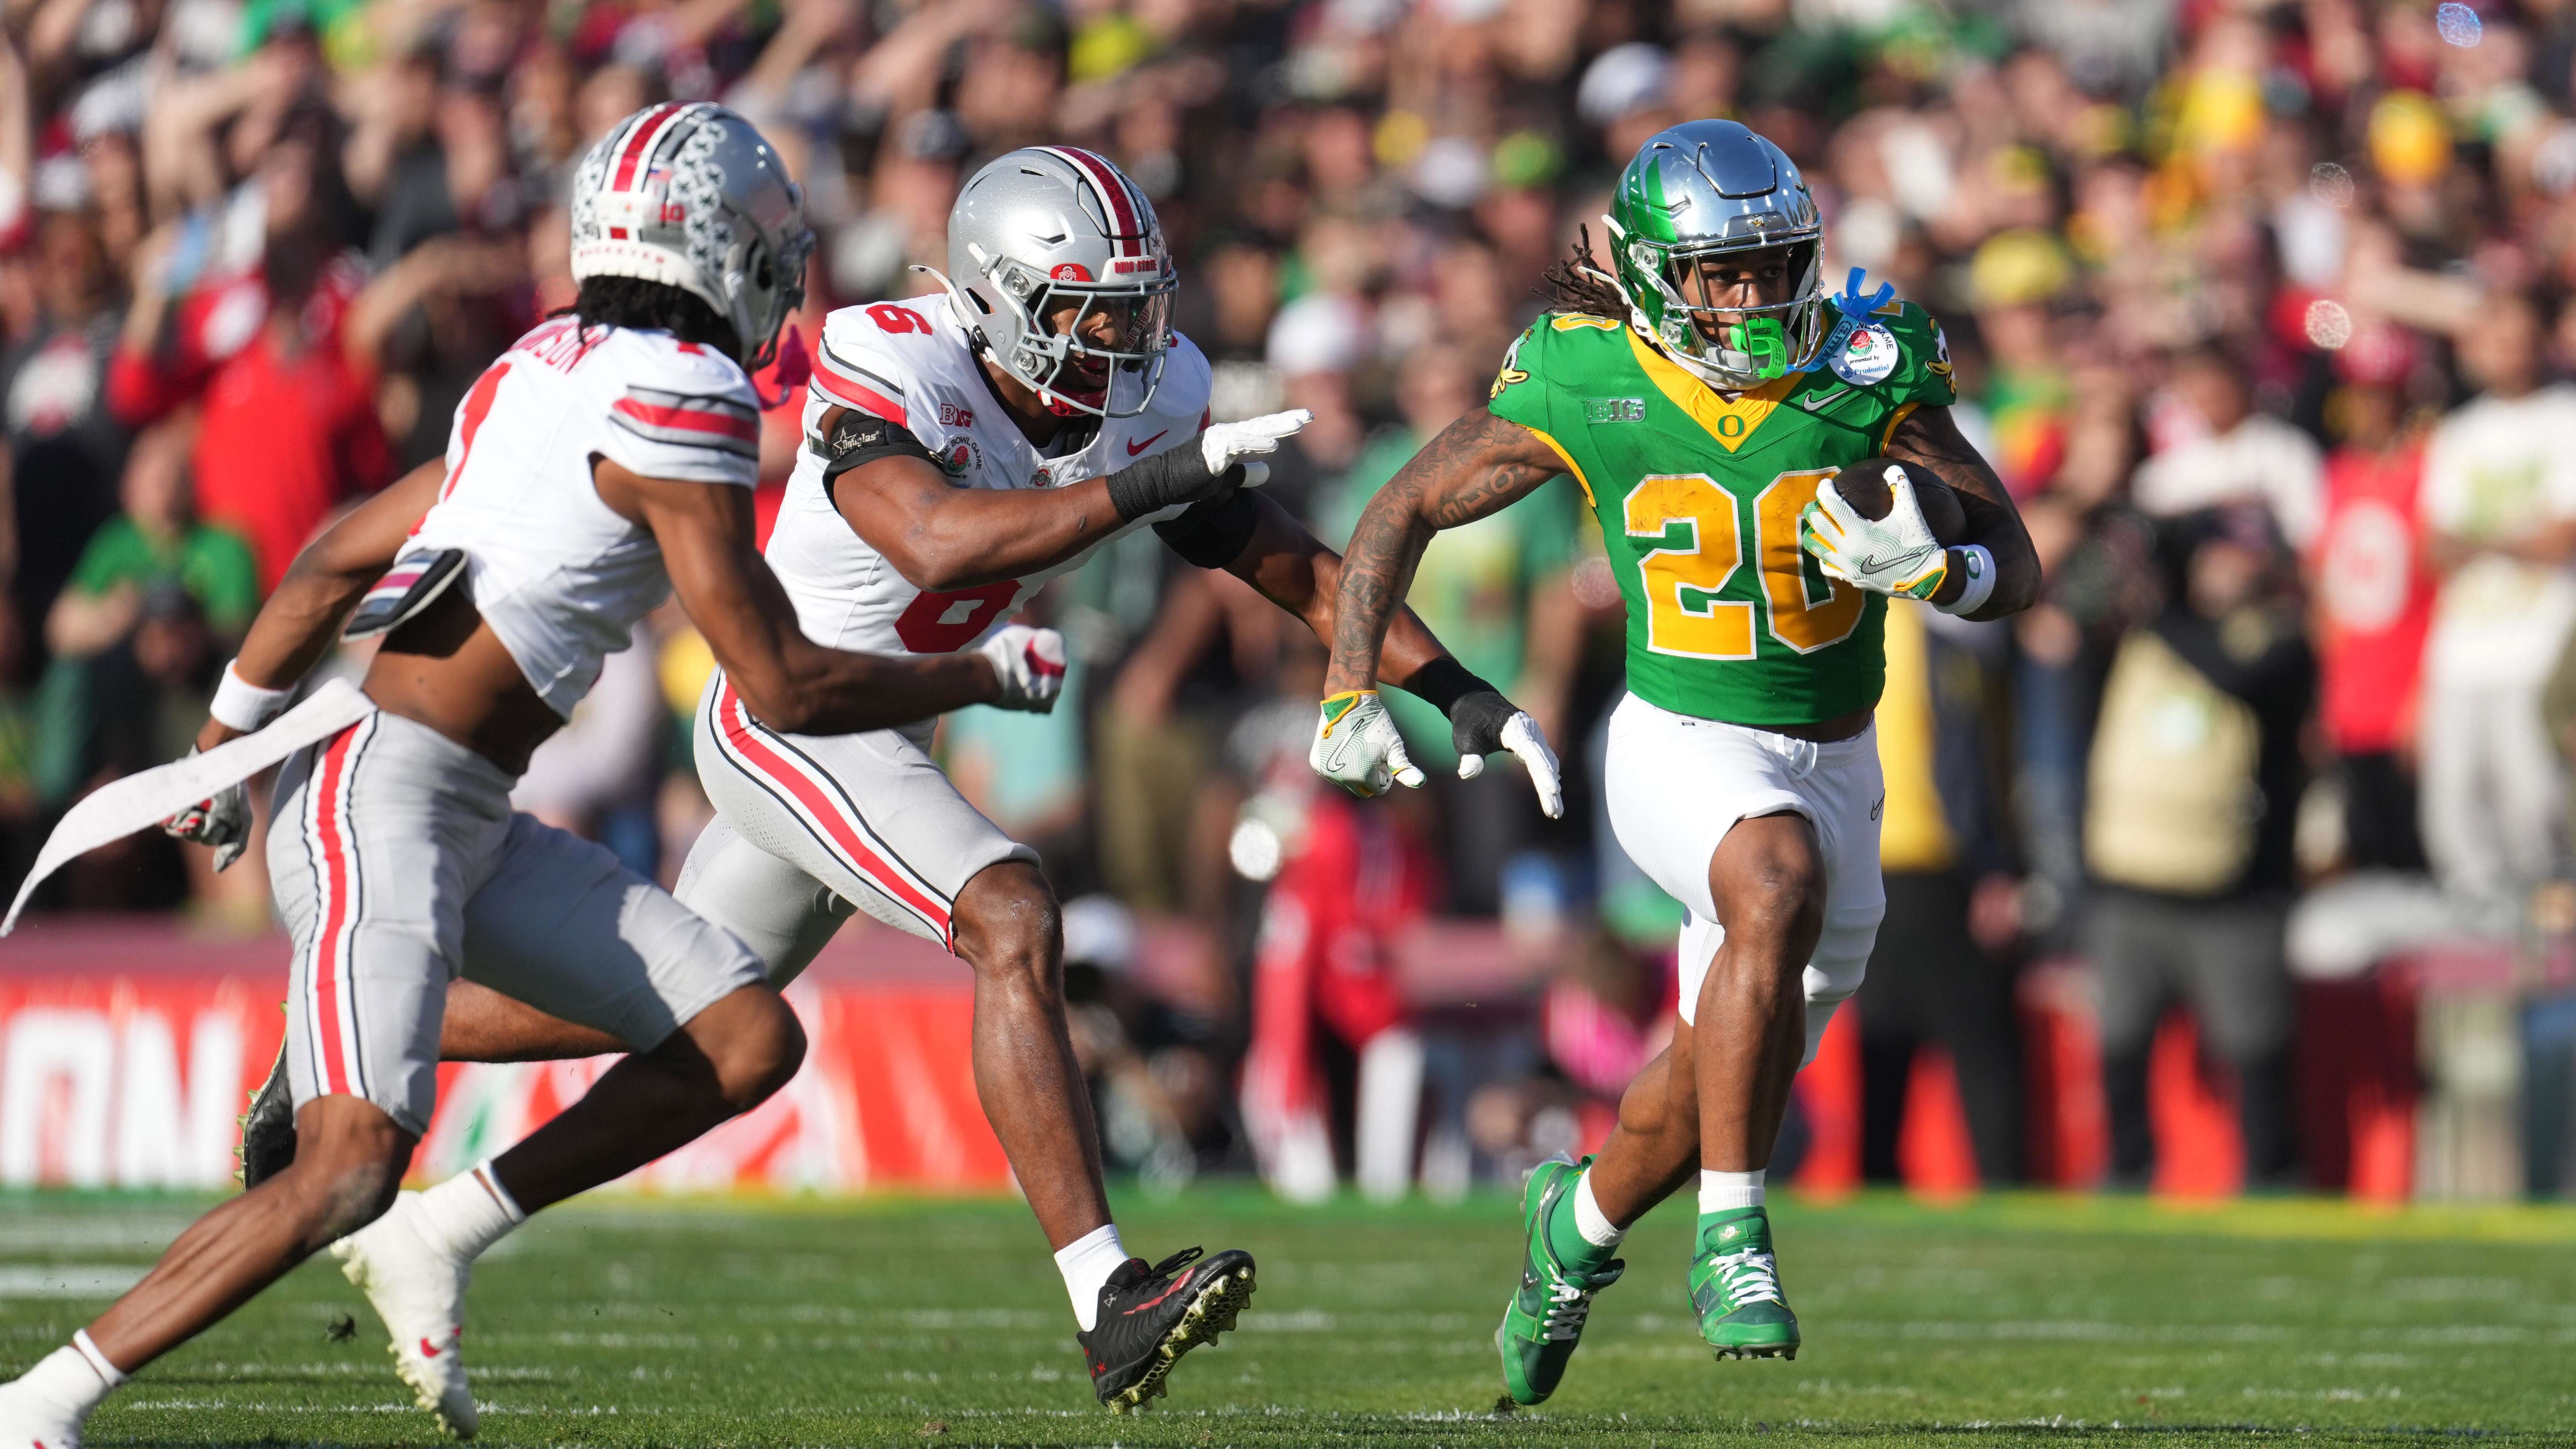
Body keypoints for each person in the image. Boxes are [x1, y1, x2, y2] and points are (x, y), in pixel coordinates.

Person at [243, 143, 1518, 1412]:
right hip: (784, 713)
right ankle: (1106, 1296)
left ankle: (377, 1119)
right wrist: (1157, 478)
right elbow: (939, 536)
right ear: (1000, 301)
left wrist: (1453, 686)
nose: (1134, 342)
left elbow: (1293, 568)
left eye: (1141, 308)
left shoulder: (1146, 399)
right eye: (1096, 313)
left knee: (657, 1013)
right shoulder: (892, 358)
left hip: (879, 735)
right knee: (1010, 910)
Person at [0, 103, 1062, 1447]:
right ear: (724, 249)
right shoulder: (691, 394)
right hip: (383, 795)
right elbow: (786, 686)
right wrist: (980, 674)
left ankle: (442, 1229)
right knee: (346, 1171)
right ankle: (41, 1403)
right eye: (772, 246)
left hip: (450, 807)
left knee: (745, 1035)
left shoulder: (538, 362)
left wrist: (222, 737)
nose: (784, 275)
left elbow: (336, 556)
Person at [1309, 121, 2038, 1402]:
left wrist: (1941, 566)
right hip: (1676, 740)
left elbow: (2013, 563)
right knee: (1773, 877)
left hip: (1840, 759)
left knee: (1701, 1082)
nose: (1755, 296)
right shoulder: (1591, 380)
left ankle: (1572, 1230)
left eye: (1775, 265)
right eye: (1724, 273)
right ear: (1657, 276)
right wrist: (1347, 683)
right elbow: (1406, 502)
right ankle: (1734, 1233)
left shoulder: (1864, 365)